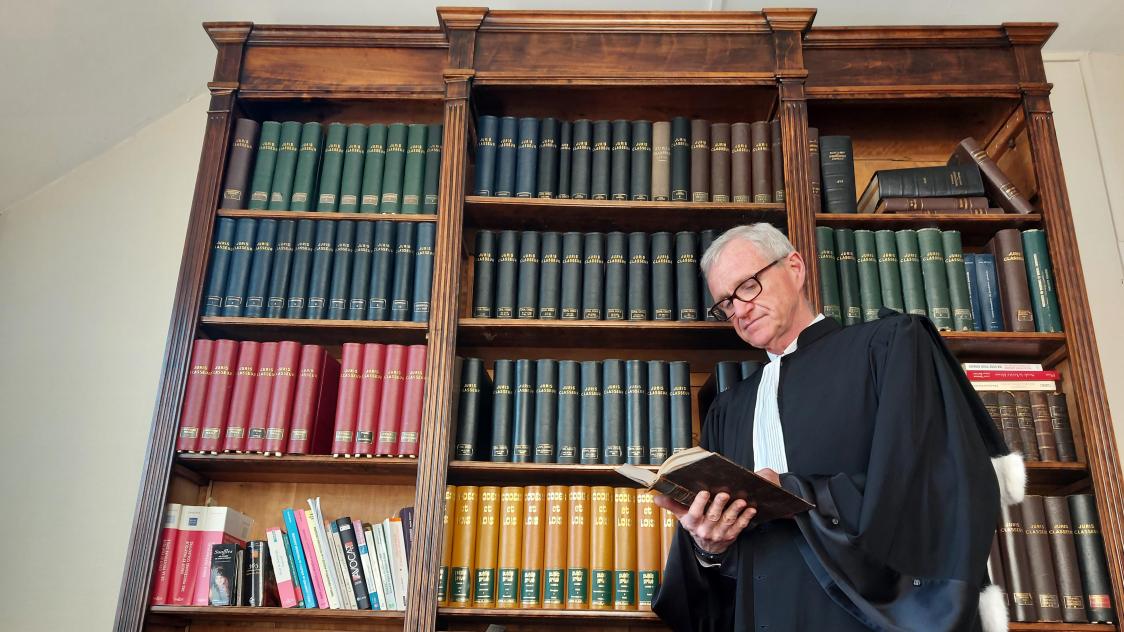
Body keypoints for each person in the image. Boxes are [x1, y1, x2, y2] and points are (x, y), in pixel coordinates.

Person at [651, 223, 1024, 632]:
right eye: (724, 302)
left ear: (794, 268)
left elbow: (933, 486)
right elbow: (715, 592)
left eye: (749, 286)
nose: (739, 309)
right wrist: (708, 548)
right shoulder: (729, 408)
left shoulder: (890, 347)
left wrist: (794, 491)